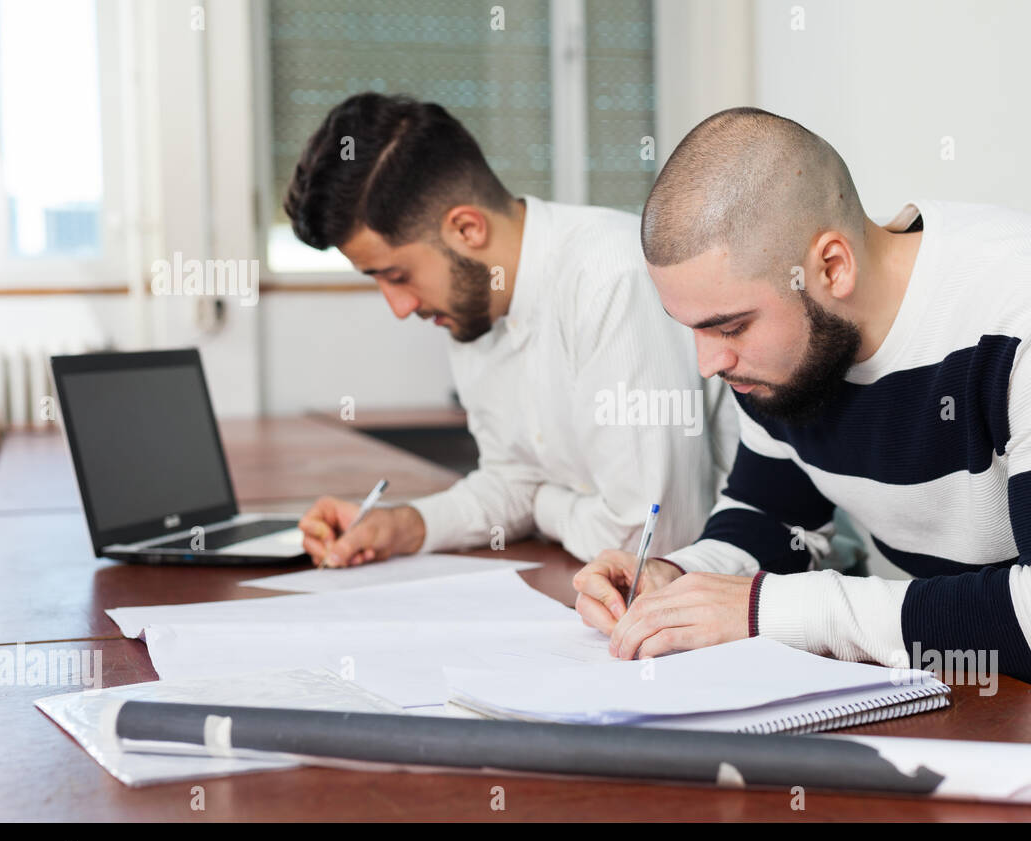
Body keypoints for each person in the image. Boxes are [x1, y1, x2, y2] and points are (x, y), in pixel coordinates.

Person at [572, 107, 1031, 771]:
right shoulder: (783, 356)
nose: (708, 363)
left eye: (727, 327)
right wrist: (681, 580)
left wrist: (769, 609)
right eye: (691, 330)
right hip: (949, 665)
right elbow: (776, 521)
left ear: (831, 266)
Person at [284, 94, 734, 566]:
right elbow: (512, 479)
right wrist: (403, 526)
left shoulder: (610, 278)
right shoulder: (472, 304)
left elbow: (650, 540)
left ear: (466, 229)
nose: (399, 307)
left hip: (730, 597)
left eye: (397, 276)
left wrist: (542, 505)